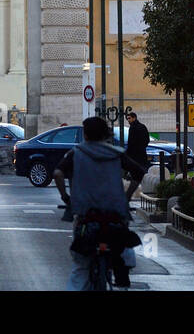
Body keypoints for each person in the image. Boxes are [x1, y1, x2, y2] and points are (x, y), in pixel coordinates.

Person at [53, 116, 144, 290]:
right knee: (123, 253)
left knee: (80, 267)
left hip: (87, 217)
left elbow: (57, 173)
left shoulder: (76, 153)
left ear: (85, 135)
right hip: (115, 216)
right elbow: (139, 172)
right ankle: (122, 281)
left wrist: (66, 197)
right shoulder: (117, 154)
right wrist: (127, 196)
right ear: (105, 135)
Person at [123, 111, 150, 205]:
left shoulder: (133, 128)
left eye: (129, 118)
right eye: (128, 119)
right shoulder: (142, 127)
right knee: (139, 174)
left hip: (134, 156)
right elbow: (147, 140)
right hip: (141, 155)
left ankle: (127, 197)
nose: (128, 120)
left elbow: (130, 143)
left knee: (135, 177)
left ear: (134, 117)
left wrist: (128, 153)